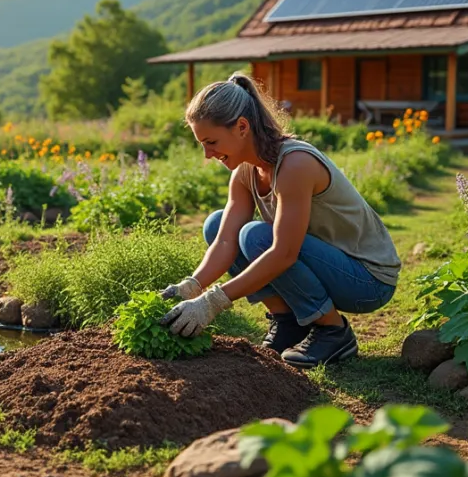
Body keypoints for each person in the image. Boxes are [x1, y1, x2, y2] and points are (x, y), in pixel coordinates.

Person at [157, 72, 401, 368]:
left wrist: (212, 303)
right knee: (217, 224)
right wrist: (191, 286)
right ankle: (288, 322)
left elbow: (284, 253)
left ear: (242, 127)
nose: (207, 154)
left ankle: (332, 332)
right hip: (329, 266)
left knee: (256, 237)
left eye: (211, 142)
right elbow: (223, 240)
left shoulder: (295, 163)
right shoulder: (245, 173)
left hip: (367, 279)